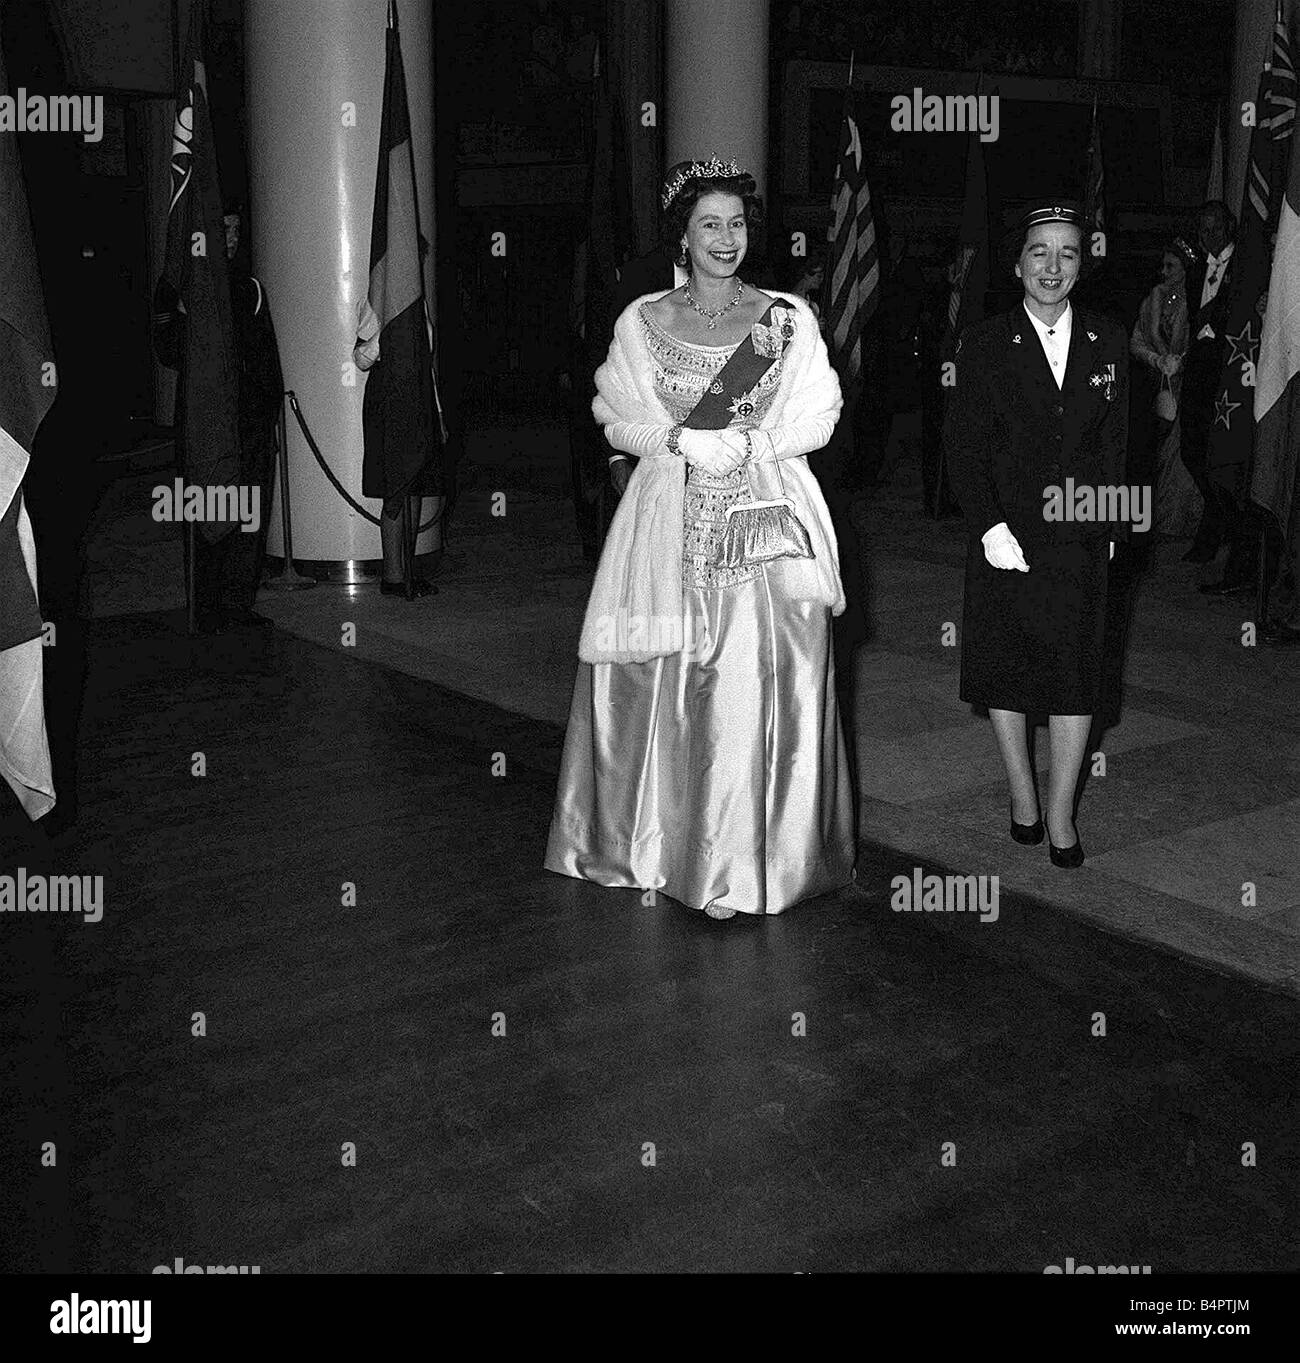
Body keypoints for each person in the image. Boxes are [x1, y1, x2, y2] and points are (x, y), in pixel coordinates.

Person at [545, 156, 855, 918]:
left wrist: (758, 445)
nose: (726, 237)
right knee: (664, 676)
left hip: (763, 518)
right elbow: (612, 416)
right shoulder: (640, 319)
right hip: (668, 518)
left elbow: (822, 413)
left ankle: (740, 859)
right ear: (681, 236)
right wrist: (680, 442)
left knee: (747, 679)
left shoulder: (788, 316)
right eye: (709, 224)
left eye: (737, 223)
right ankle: (651, 844)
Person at [944, 204, 1130, 868]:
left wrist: (1109, 522)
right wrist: (988, 525)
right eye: (1040, 253)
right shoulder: (986, 342)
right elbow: (964, 447)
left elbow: (1116, 442)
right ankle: (1022, 792)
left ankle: (1061, 813)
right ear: (1018, 263)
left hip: (1079, 530)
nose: (1053, 267)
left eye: (1069, 254)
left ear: (1083, 262)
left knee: (1077, 672)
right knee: (1007, 661)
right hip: (1008, 530)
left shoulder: (1108, 340)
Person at [152, 204, 284, 631]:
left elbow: (266, 362)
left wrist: (268, 419)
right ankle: (205, 604)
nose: (229, 236)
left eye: (234, 228)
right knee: (206, 508)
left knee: (247, 516)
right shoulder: (177, 286)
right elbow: (167, 351)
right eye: (220, 227)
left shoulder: (249, 289)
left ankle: (237, 603)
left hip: (248, 424)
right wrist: (191, 316)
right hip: (204, 422)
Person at [1129, 237, 1201, 538]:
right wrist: (1157, 359)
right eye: (1162, 265)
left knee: (1181, 457)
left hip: (1188, 389)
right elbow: (1136, 342)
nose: (1164, 271)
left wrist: (1182, 362)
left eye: (1171, 265)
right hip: (1154, 388)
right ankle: (1152, 522)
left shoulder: (1197, 299)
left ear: (1185, 268)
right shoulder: (1153, 300)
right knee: (1154, 455)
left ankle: (1181, 521)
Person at [1178, 200, 1237, 566]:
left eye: (1214, 228)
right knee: (1191, 449)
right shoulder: (1197, 268)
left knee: (1222, 453)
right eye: (1202, 229)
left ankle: (1219, 527)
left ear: (1229, 227)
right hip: (1199, 367)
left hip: (1229, 367)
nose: (1208, 235)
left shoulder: (1246, 265)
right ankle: (1219, 518)